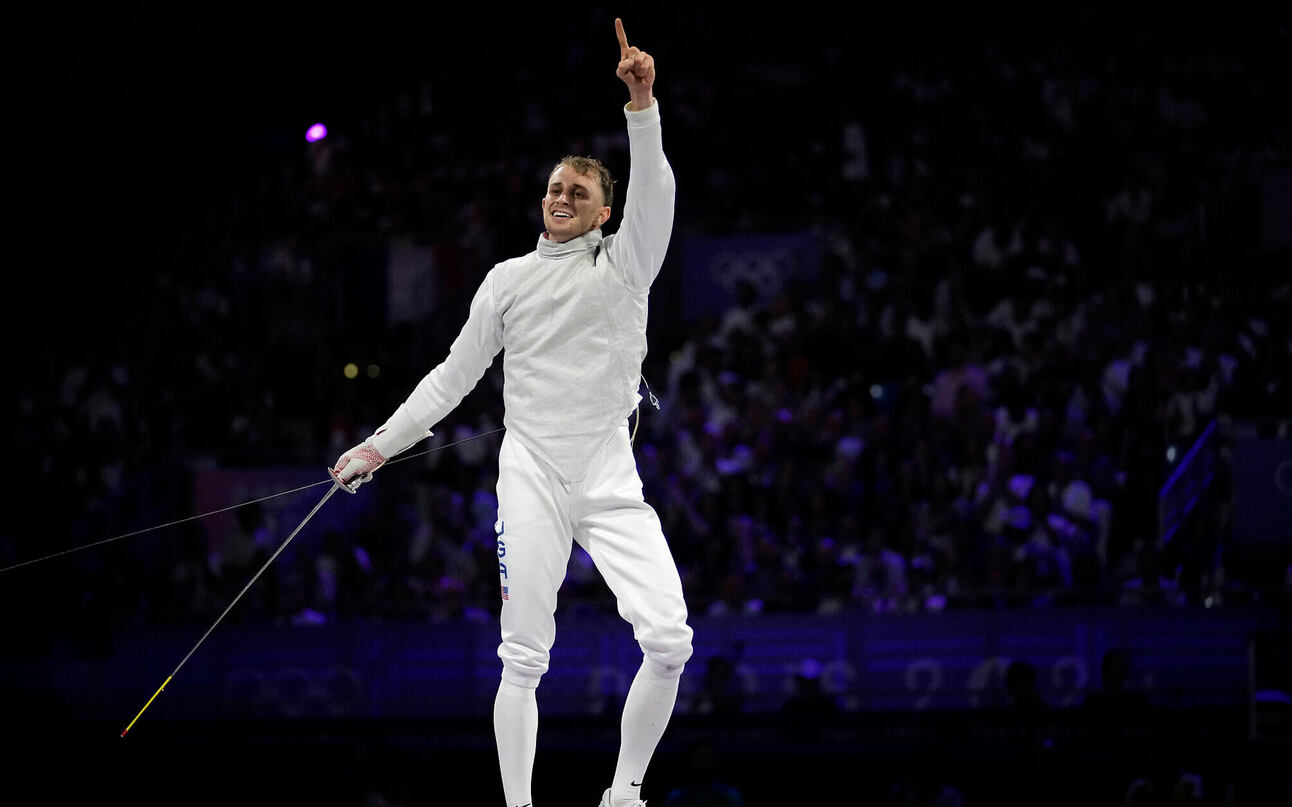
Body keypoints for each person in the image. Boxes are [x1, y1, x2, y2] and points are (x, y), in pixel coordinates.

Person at [330, 18, 693, 807]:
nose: (563, 196)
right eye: (556, 186)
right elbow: (450, 379)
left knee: (669, 641)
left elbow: (657, 191)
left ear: (603, 213)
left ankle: (624, 791)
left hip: (606, 475)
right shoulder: (504, 280)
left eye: (581, 192)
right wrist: (377, 446)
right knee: (523, 657)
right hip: (530, 475)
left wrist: (643, 104)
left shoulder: (627, 266)